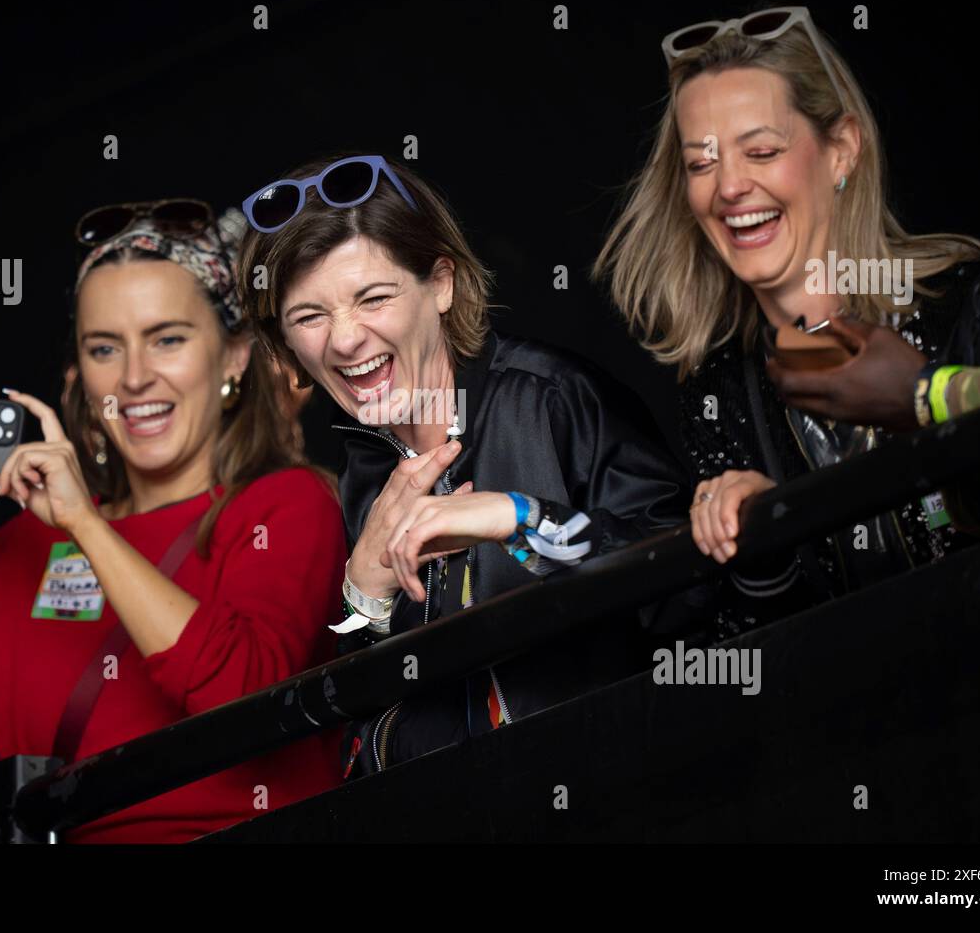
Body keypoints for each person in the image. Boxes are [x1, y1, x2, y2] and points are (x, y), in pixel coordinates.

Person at [0, 201, 348, 842]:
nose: (136, 377)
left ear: (233, 359)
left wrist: (86, 525)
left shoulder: (285, 506)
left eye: (168, 338)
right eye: (105, 348)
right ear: (80, 376)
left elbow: (246, 700)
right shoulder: (25, 549)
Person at [594, 6, 980, 641]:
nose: (729, 186)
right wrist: (766, 542)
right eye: (701, 164)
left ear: (841, 150)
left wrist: (926, 399)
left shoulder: (971, 307)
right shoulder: (720, 391)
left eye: (761, 150)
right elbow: (770, 661)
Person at [237, 153, 689, 776]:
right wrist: (363, 597)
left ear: (441, 284)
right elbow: (371, 719)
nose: (343, 340)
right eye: (310, 317)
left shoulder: (552, 398)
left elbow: (691, 576)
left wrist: (520, 518)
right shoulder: (365, 470)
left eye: (372, 298)